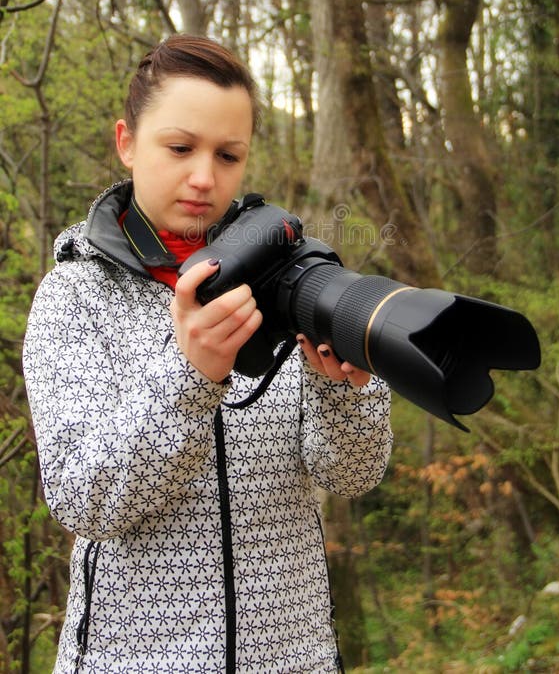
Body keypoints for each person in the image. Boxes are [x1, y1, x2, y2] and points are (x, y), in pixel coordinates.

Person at [23, 34, 393, 674]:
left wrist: (343, 390)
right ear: (126, 142)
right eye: (180, 148)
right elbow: (83, 500)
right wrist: (189, 377)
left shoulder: (287, 280)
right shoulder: (74, 297)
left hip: (294, 658)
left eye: (228, 155)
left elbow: (353, 476)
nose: (204, 177)